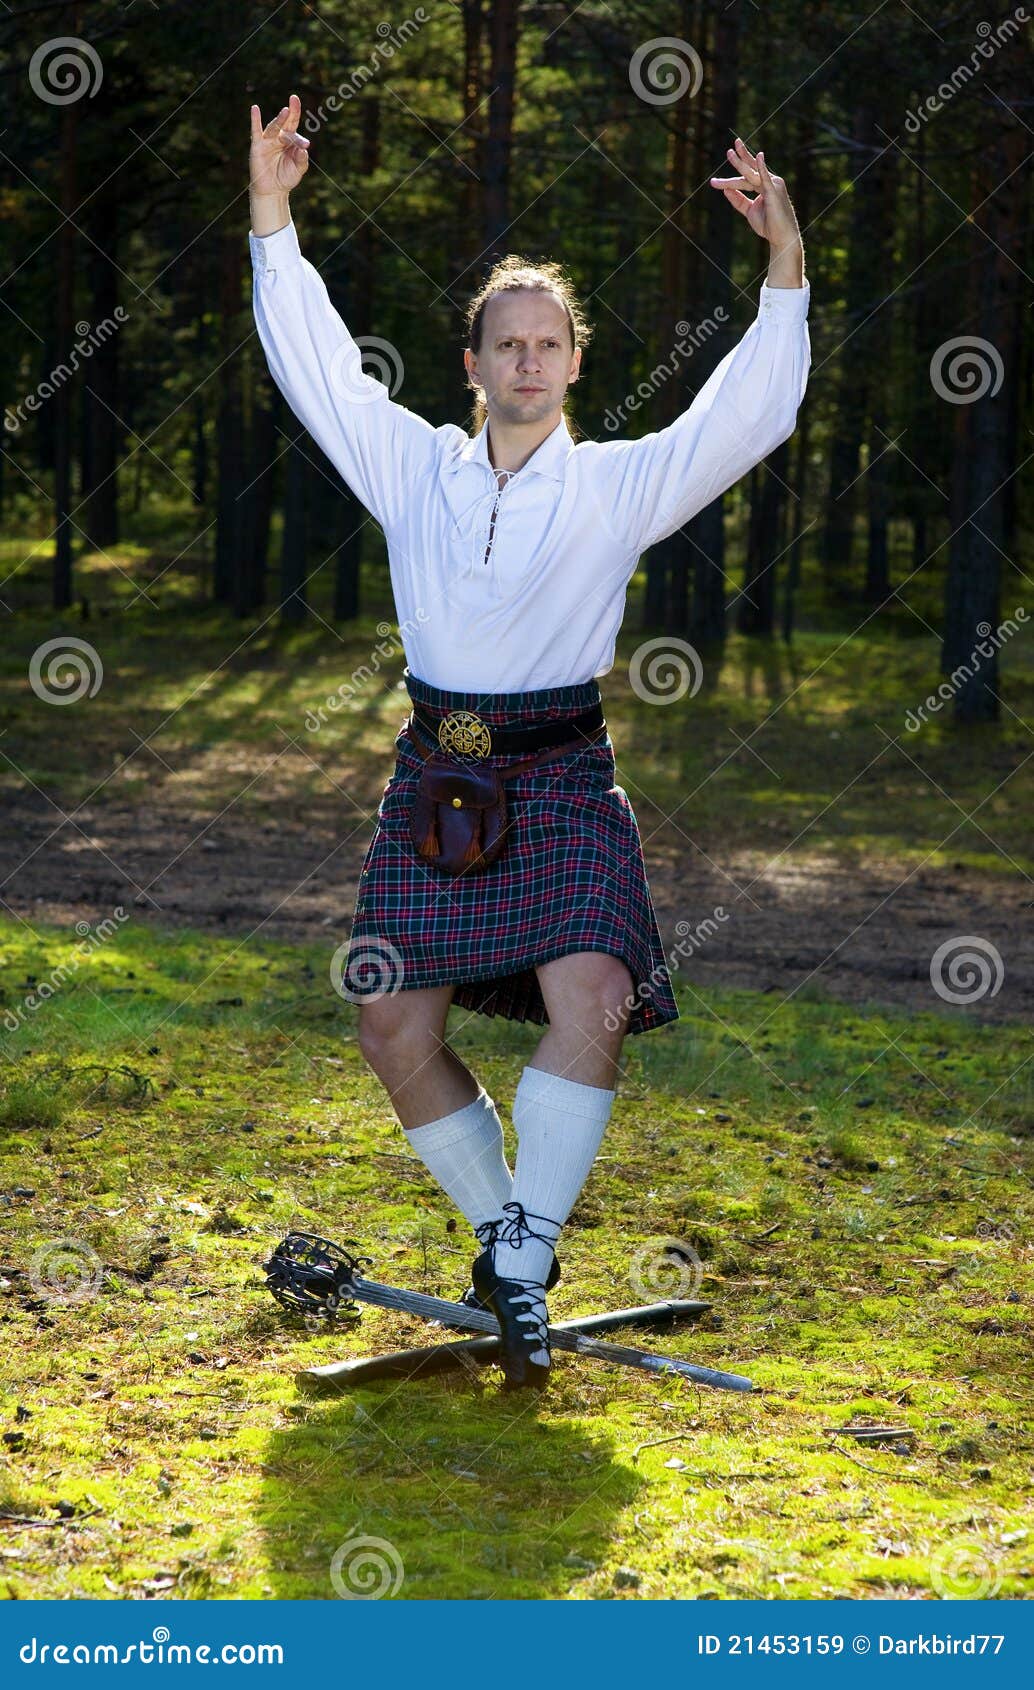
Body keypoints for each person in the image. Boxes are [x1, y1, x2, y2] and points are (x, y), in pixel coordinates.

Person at [248, 94, 811, 1390]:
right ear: (473, 365)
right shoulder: (410, 470)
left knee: (593, 999)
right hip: (433, 772)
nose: (528, 362)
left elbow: (743, 421)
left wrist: (781, 263)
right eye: (506, 344)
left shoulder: (616, 484)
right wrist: (273, 214)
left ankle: (523, 1249)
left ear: (573, 360)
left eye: (548, 343)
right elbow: (319, 365)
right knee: (388, 1017)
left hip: (561, 770)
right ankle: (505, 1232)